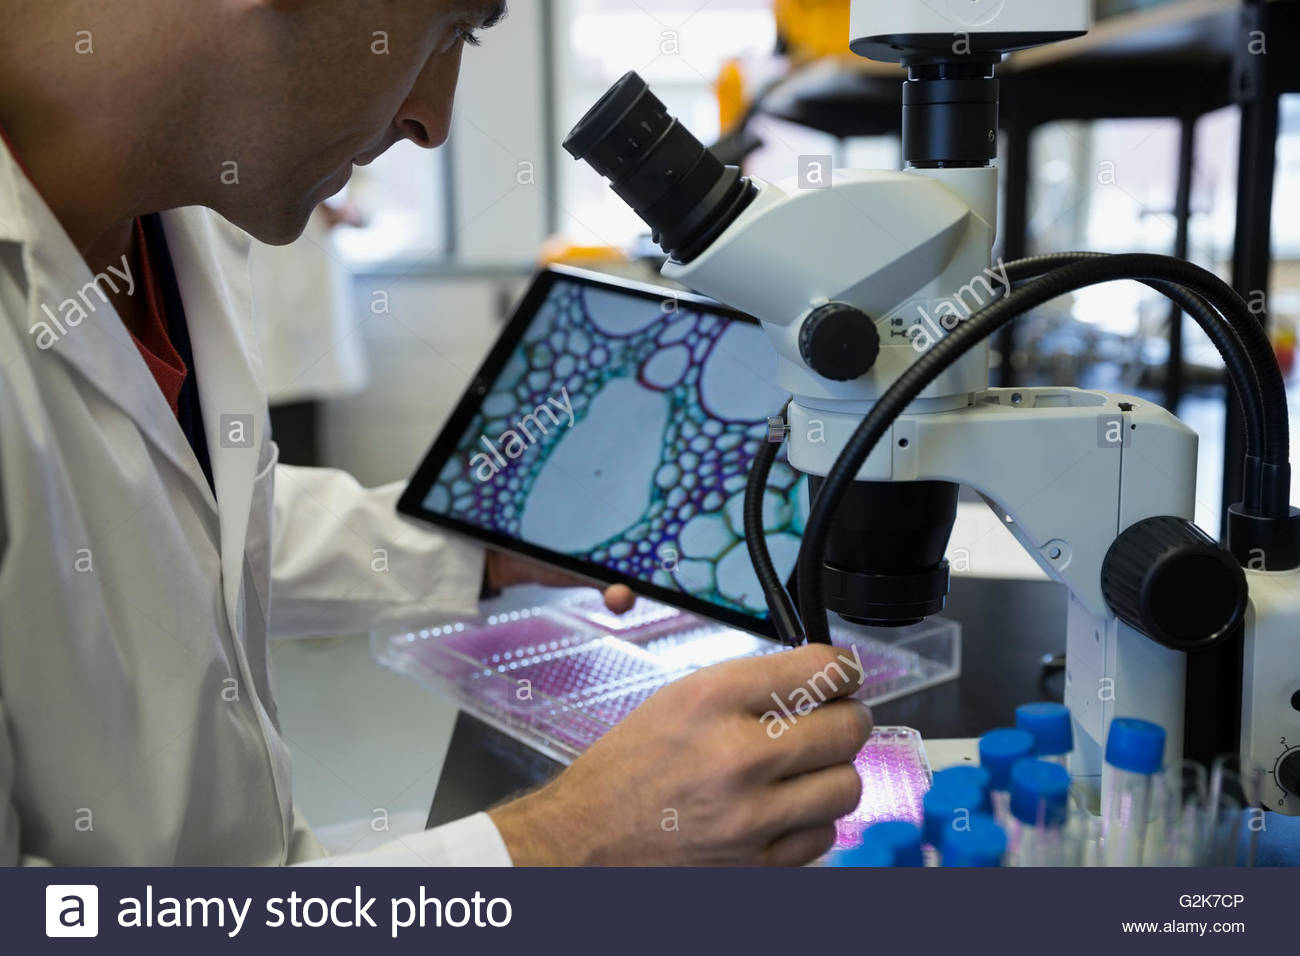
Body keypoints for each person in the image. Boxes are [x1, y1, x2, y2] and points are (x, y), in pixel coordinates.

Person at [0, 0, 871, 867]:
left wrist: (487, 551)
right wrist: (557, 848)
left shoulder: (169, 217)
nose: (433, 121)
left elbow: (175, 526)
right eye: (452, 27)